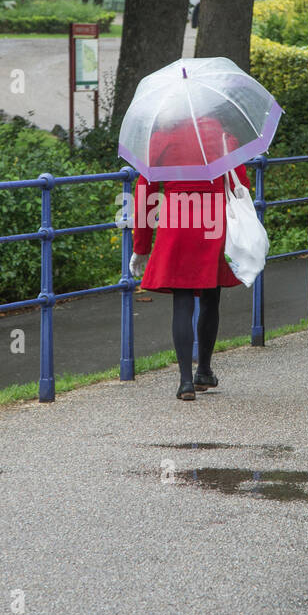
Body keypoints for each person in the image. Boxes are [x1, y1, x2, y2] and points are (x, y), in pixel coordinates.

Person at [129, 115, 249, 401]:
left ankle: (185, 381)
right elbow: (239, 182)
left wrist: (141, 245)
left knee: (182, 301)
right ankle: (204, 370)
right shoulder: (220, 135)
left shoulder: (159, 140)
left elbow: (146, 192)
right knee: (210, 295)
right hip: (212, 221)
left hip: (176, 223)